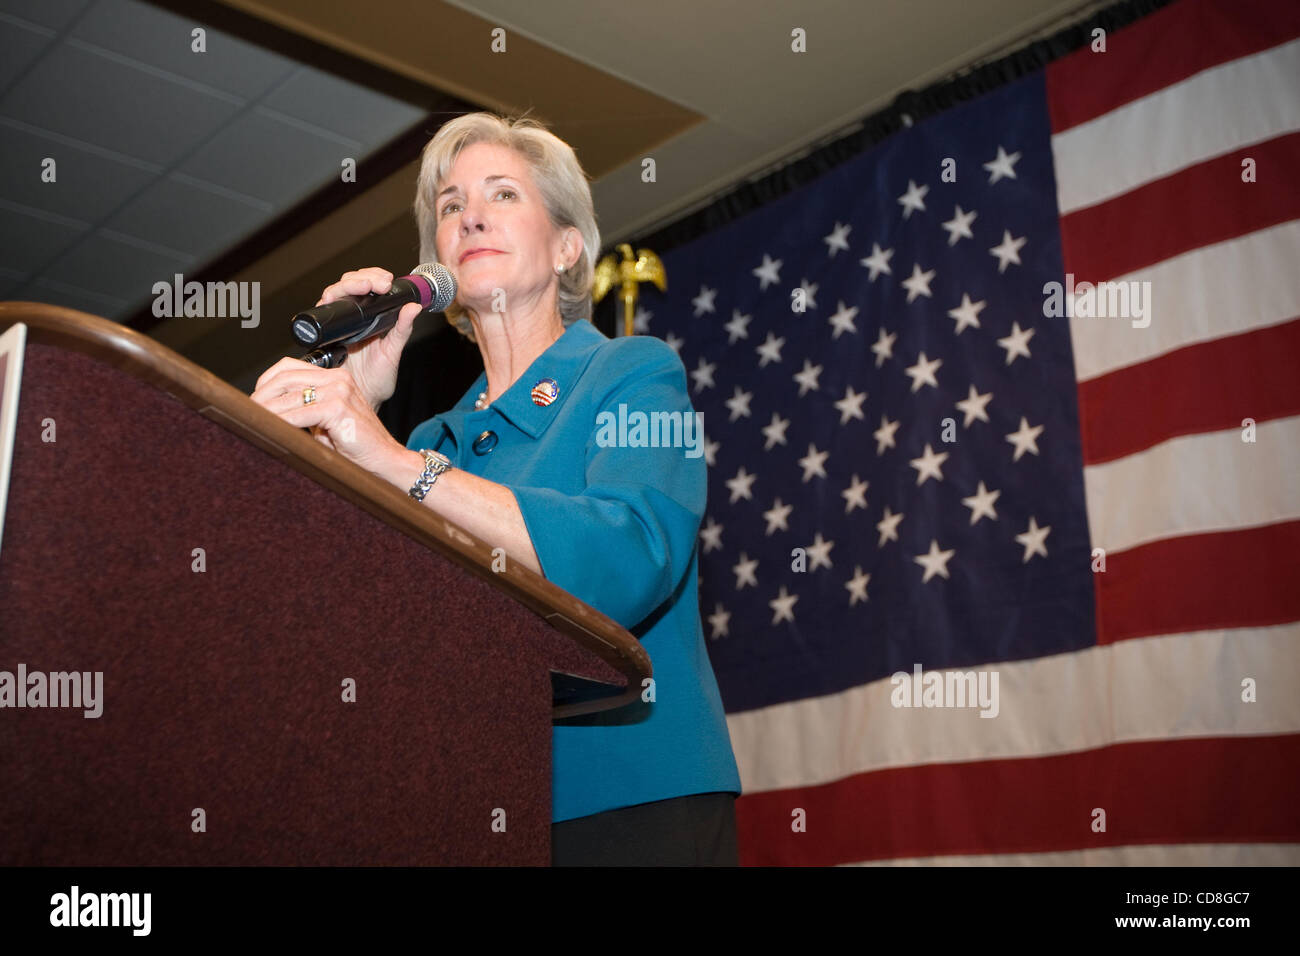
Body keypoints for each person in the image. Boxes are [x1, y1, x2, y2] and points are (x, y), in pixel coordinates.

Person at [251, 112, 742, 866]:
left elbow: (631, 555)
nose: (469, 213)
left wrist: (383, 456)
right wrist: (351, 404)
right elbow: (348, 638)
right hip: (466, 813)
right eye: (450, 206)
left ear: (567, 246)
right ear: (438, 270)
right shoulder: (425, 440)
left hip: (631, 798)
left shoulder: (636, 374)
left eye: (502, 194)